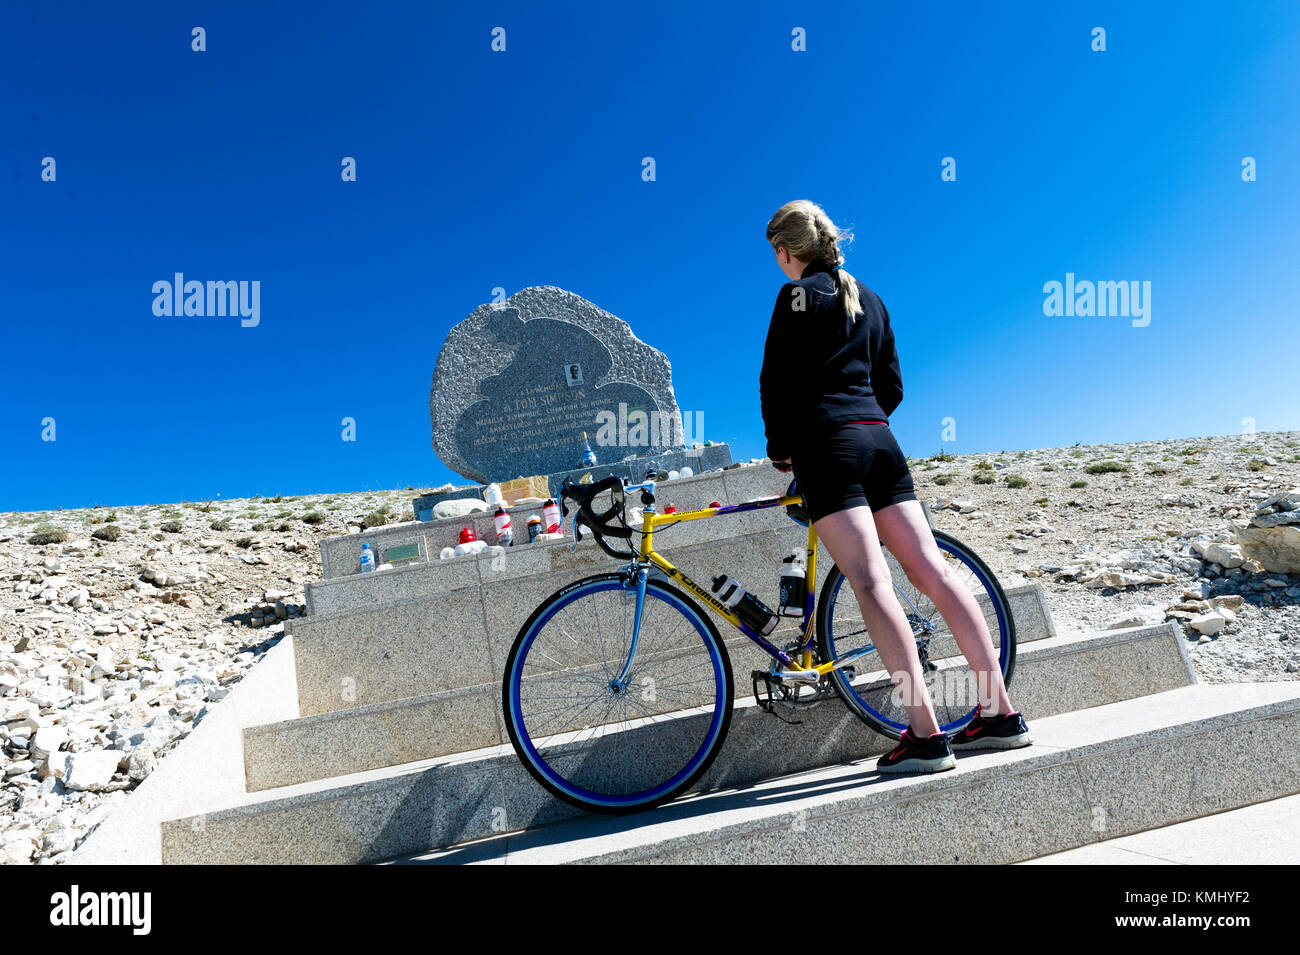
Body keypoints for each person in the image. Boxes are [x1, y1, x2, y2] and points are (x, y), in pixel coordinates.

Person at [759, 199, 1032, 773]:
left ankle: (925, 733)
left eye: (776, 254)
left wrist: (782, 448)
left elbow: (776, 380)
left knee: (869, 580)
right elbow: (892, 384)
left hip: (828, 445)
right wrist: (862, 419)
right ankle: (999, 713)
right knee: (931, 571)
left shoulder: (795, 296)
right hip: (880, 442)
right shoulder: (872, 300)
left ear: (787, 251)